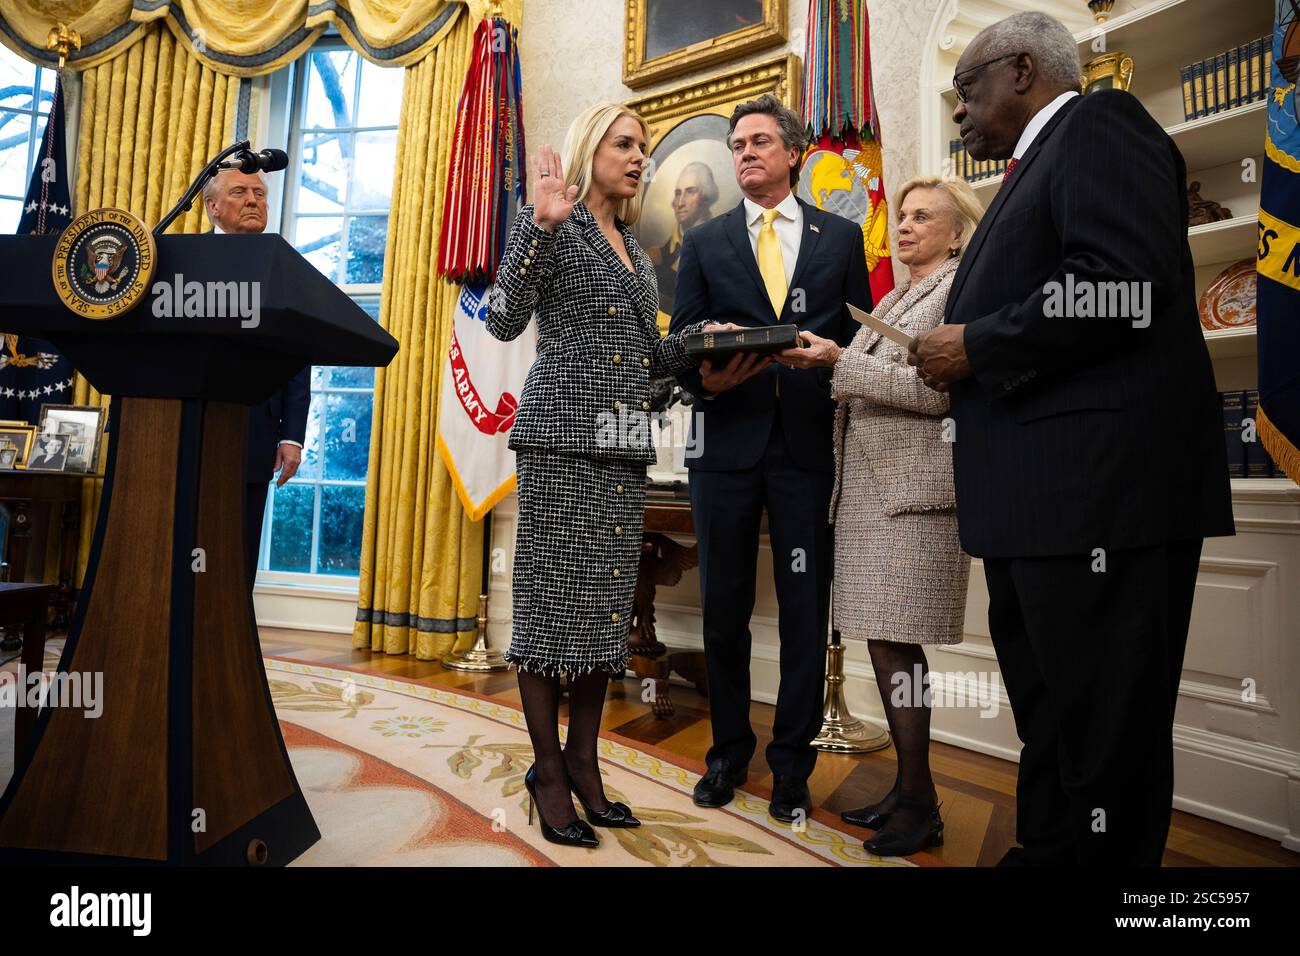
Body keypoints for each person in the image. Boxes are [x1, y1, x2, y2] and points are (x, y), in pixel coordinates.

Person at [908, 11, 1234, 866]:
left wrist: (974, 345)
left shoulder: (1099, 125)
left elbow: (1123, 287)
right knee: (1053, 716)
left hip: (1100, 497)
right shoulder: (1030, 170)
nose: (959, 114)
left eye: (966, 91)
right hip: (1042, 503)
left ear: (1021, 71)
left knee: (1106, 732)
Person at [485, 103, 715, 848]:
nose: (639, 157)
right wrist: (539, 226)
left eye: (644, 146)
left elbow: (645, 365)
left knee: (601, 619)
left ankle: (584, 762)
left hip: (620, 450)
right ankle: (548, 770)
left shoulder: (639, 257)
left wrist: (700, 350)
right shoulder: (559, 225)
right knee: (552, 617)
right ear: (591, 151)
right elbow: (502, 317)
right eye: (625, 144)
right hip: (559, 447)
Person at [668, 93, 871, 822]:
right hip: (724, 444)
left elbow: (863, 348)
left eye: (759, 140)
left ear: (791, 152)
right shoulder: (706, 241)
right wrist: (706, 377)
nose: (746, 152)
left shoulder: (842, 239)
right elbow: (683, 343)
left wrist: (835, 364)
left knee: (804, 612)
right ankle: (726, 756)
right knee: (723, 608)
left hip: (807, 453)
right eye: (737, 144)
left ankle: (792, 769)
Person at [778, 175, 982, 856]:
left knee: (899, 647)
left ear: (956, 233)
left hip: (914, 497)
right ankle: (907, 789)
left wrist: (839, 362)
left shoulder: (959, 288)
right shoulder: (896, 293)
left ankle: (921, 802)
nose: (905, 226)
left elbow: (943, 392)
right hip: (871, 498)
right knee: (886, 643)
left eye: (924, 217)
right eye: (902, 215)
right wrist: (836, 359)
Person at [203, 168, 309, 584]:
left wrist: (291, 436)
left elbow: (298, 353)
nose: (253, 200)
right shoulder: (179, 258)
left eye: (260, 193)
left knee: (238, 549)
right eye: (240, 192)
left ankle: (233, 642)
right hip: (186, 425)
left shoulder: (284, 267)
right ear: (212, 206)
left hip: (254, 431)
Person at [649, 161, 719, 313]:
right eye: (678, 193)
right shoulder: (654, 257)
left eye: (690, 191)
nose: (680, 202)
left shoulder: (725, 247)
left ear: (706, 197)